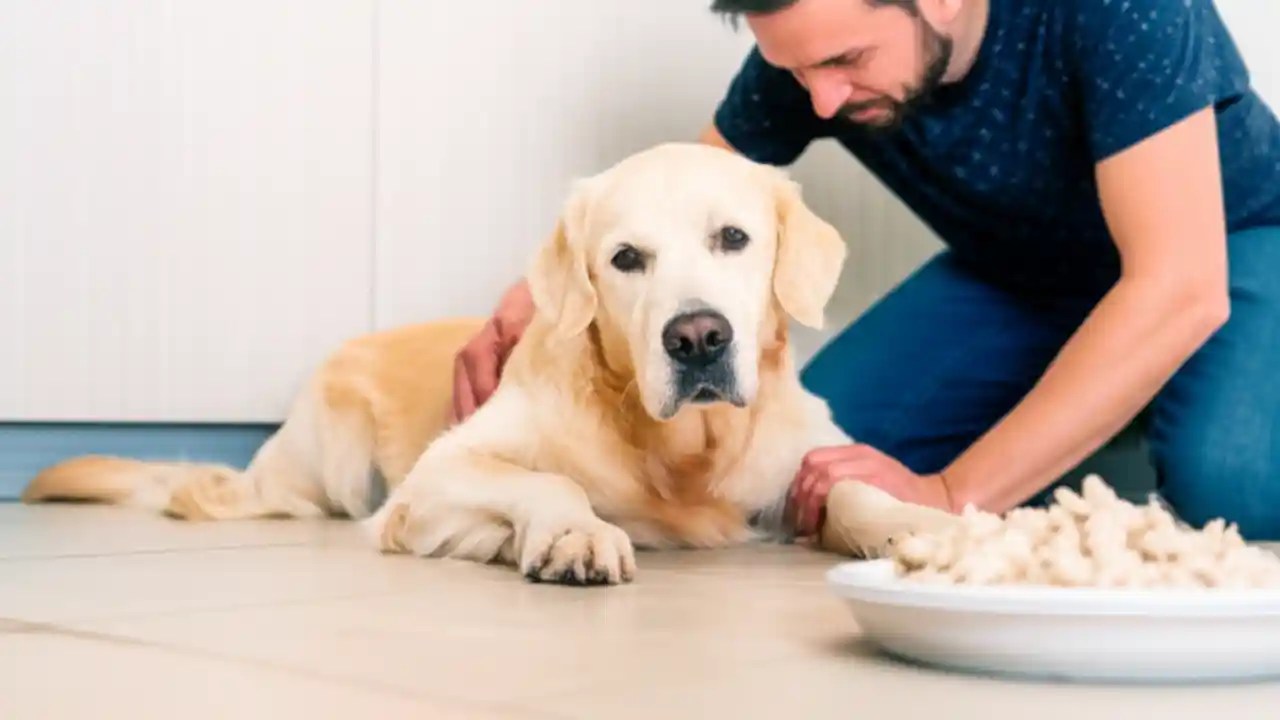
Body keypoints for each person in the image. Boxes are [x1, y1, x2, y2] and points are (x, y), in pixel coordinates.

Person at [451, 0, 1280, 540]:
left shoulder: (1122, 12)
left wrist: (956, 490)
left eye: (845, 61)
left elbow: (1178, 285)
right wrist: (534, 303)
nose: (820, 101)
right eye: (796, 72)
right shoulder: (812, 56)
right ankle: (1081, 433)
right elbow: (682, 192)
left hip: (1230, 247)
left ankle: (1140, 435)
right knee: (811, 468)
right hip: (1019, 275)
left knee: (1229, 484)